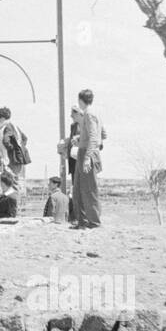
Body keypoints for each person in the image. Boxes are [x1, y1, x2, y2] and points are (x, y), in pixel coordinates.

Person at [71, 89, 104, 230]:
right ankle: (82, 221)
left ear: (80, 100)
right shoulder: (92, 114)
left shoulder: (89, 114)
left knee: (89, 189)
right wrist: (80, 140)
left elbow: (93, 138)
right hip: (83, 151)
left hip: (87, 153)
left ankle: (94, 222)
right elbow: (99, 135)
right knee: (78, 189)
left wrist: (87, 158)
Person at [0, 107, 30, 211]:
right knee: (14, 181)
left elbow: (6, 141)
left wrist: (13, 149)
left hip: (12, 159)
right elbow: (25, 138)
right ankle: (15, 206)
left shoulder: (7, 126)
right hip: (17, 159)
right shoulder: (15, 126)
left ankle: (13, 207)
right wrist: (21, 147)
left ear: (1, 118)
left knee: (12, 182)